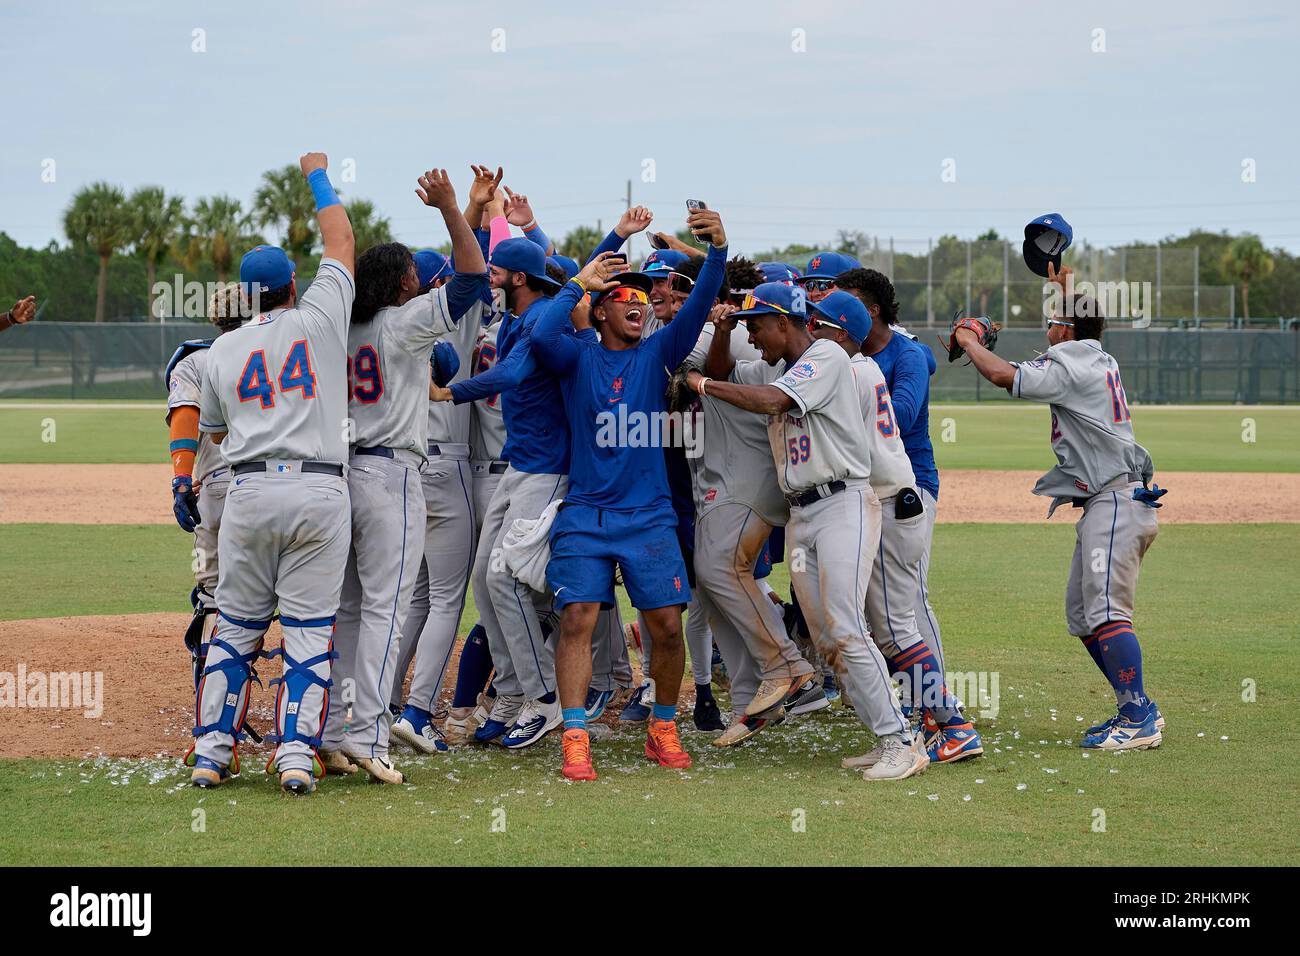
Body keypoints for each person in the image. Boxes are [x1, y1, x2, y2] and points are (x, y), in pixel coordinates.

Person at [684, 281, 928, 781]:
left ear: (783, 321)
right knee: (827, 639)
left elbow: (770, 401)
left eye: (757, 327)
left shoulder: (826, 355)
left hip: (844, 502)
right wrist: (725, 333)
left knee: (845, 626)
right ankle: (885, 733)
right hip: (804, 512)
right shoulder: (782, 362)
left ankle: (900, 742)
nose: (753, 338)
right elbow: (727, 369)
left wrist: (700, 387)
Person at [528, 204, 729, 782]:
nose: (640, 301)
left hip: (649, 516)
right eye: (626, 295)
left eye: (645, 295)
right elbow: (543, 333)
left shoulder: (657, 353)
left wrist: (716, 251)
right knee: (578, 619)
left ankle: (662, 727)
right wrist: (577, 285)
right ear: (601, 305)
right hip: (586, 513)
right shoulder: (577, 353)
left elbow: (695, 309)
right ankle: (574, 735)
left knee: (666, 625)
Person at [191, 152, 354, 795]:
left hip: (248, 489)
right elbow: (340, 239)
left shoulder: (221, 348)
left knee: (236, 627)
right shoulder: (317, 318)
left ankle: (211, 753)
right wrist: (316, 172)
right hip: (317, 487)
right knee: (310, 630)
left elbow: (214, 429)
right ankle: (293, 757)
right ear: (292, 283)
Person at [320, 168, 489, 784]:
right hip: (392, 474)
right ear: (399, 285)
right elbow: (471, 277)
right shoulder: (402, 322)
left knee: (346, 609)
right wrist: (452, 208)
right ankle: (368, 735)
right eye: (414, 277)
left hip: (342, 473)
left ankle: (336, 732)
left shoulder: (344, 326)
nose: (422, 282)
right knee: (387, 611)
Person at [951, 264, 1164, 751]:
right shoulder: (1097, 355)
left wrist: (968, 341)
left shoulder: (1071, 361)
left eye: (1053, 320)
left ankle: (1137, 717)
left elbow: (1003, 375)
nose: (1047, 329)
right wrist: (1066, 287)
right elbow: (1087, 324)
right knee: (1083, 615)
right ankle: (1135, 707)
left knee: (1107, 613)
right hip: (1111, 501)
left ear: (1065, 330)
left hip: (1114, 502)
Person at [806, 290, 983, 766]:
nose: (809, 331)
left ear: (842, 332)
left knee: (896, 628)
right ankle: (921, 724)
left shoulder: (852, 372)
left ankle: (953, 725)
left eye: (816, 324)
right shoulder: (863, 368)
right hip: (889, 499)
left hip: (891, 500)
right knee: (888, 627)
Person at [835, 267, 947, 727]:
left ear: (872, 309)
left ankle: (940, 709)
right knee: (879, 612)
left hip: (910, 487)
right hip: (868, 489)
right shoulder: (850, 355)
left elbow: (898, 413)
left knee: (909, 604)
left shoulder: (908, 355)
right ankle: (920, 701)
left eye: (847, 302)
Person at [168, 283, 249, 743]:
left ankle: (214, 715)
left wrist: (181, 479)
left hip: (218, 488)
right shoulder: (287, 347)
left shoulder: (196, 360)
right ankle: (303, 721)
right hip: (293, 482)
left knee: (216, 597)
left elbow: (185, 416)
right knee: (304, 604)